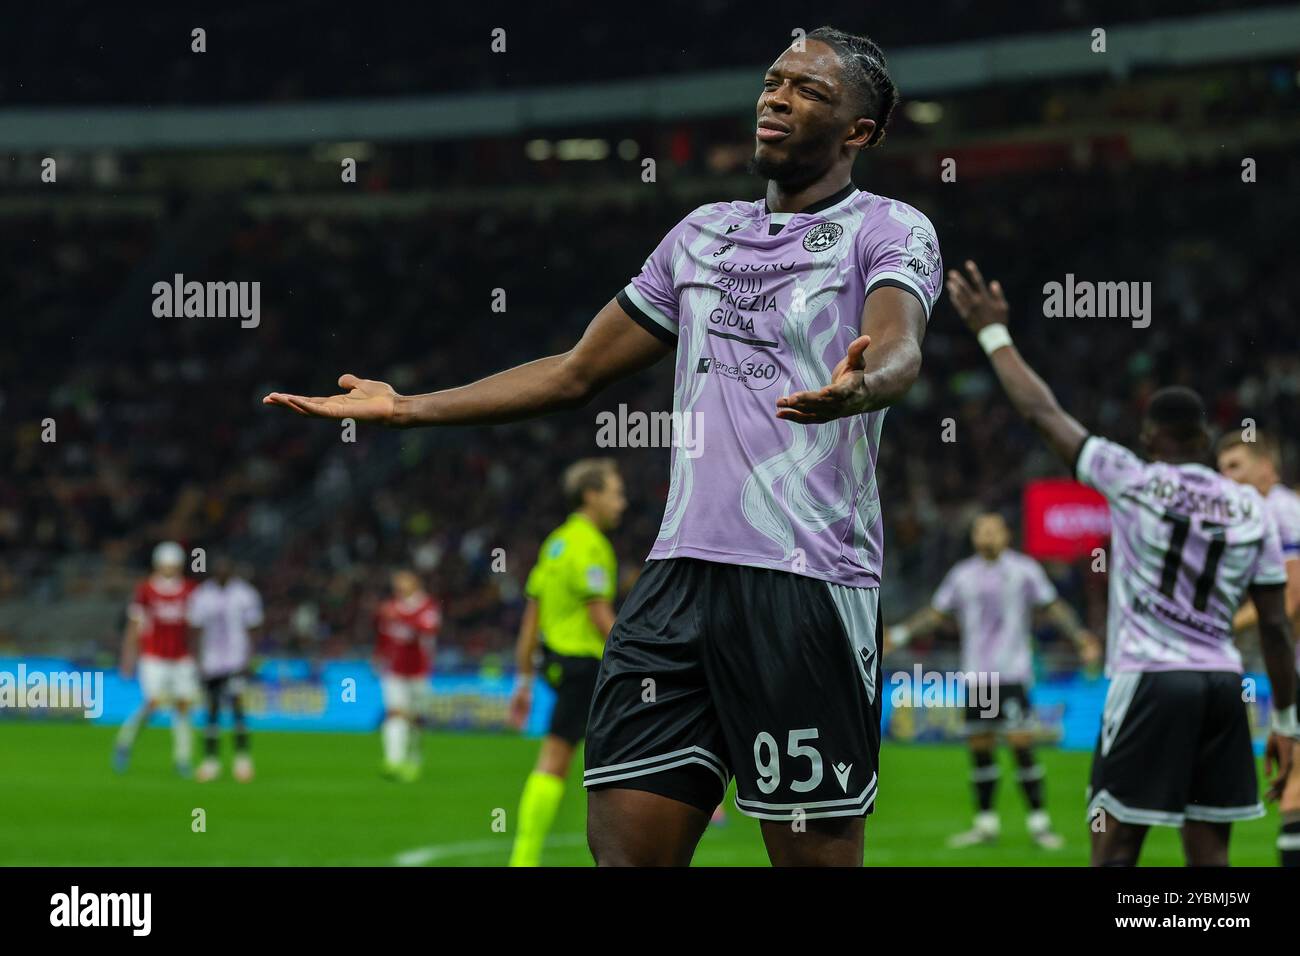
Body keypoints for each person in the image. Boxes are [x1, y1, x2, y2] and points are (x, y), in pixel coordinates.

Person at [266, 26, 941, 866]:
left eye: (808, 91)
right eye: (773, 80)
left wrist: (867, 383)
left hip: (804, 589)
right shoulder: (701, 232)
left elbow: (898, 341)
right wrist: (407, 408)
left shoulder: (888, 228)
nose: (776, 97)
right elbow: (577, 370)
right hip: (674, 588)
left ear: (859, 133)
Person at [946, 259, 1298, 866]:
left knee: (1114, 850)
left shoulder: (1132, 479)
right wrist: (1288, 723)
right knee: (1211, 856)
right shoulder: (1250, 508)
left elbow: (1041, 411)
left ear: (1149, 436)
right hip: (1221, 685)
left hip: (1149, 680)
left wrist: (992, 332)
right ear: (1207, 444)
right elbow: (1274, 624)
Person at [887, 512, 1099, 849]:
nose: (986, 535)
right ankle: (985, 824)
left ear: (1006, 535)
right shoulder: (962, 575)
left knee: (1020, 744)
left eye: (992, 530)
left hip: (1012, 674)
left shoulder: (1024, 570)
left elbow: (1053, 606)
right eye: (980, 530)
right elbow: (935, 613)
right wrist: (898, 635)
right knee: (981, 748)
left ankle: (1039, 824)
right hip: (978, 677)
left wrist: (1080, 637)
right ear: (974, 537)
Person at [507, 459, 624, 866]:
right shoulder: (591, 545)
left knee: (578, 754)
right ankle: (524, 858)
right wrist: (638, 663)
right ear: (591, 496)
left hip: (556, 665)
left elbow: (530, 620)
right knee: (568, 758)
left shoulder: (555, 543)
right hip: (585, 665)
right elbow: (599, 615)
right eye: (614, 492)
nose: (621, 503)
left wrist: (523, 682)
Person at [1217, 428, 1300, 865]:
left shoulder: (1280, 511)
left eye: (1235, 467)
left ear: (1266, 467)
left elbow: (1291, 596)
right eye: (1220, 470)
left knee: (1294, 789)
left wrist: (1219, 624)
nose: (1225, 479)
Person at [114, 541, 198, 777]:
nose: (169, 568)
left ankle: (182, 758)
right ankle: (125, 741)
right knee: (153, 703)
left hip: (182, 657)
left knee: (183, 706)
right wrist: (128, 658)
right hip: (154, 657)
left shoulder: (190, 591)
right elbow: (135, 626)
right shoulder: (146, 591)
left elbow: (195, 628)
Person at [188, 557, 263, 783]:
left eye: (225, 566)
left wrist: (250, 659)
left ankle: (243, 761)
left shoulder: (245, 594)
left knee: (238, 709)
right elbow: (195, 629)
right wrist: (197, 660)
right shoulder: (202, 595)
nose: (222, 571)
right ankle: (211, 762)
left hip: (236, 660)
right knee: (211, 710)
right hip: (210, 662)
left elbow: (254, 628)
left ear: (231, 569)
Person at [374, 570, 441, 781]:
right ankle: (393, 761)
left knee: (416, 719)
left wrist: (401, 618)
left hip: (419, 672)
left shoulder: (427, 606)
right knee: (395, 713)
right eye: (397, 582)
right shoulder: (391, 608)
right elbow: (384, 636)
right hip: (394, 671)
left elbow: (429, 630)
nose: (399, 586)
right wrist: (378, 656)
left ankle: (414, 760)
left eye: (403, 582)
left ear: (415, 583)